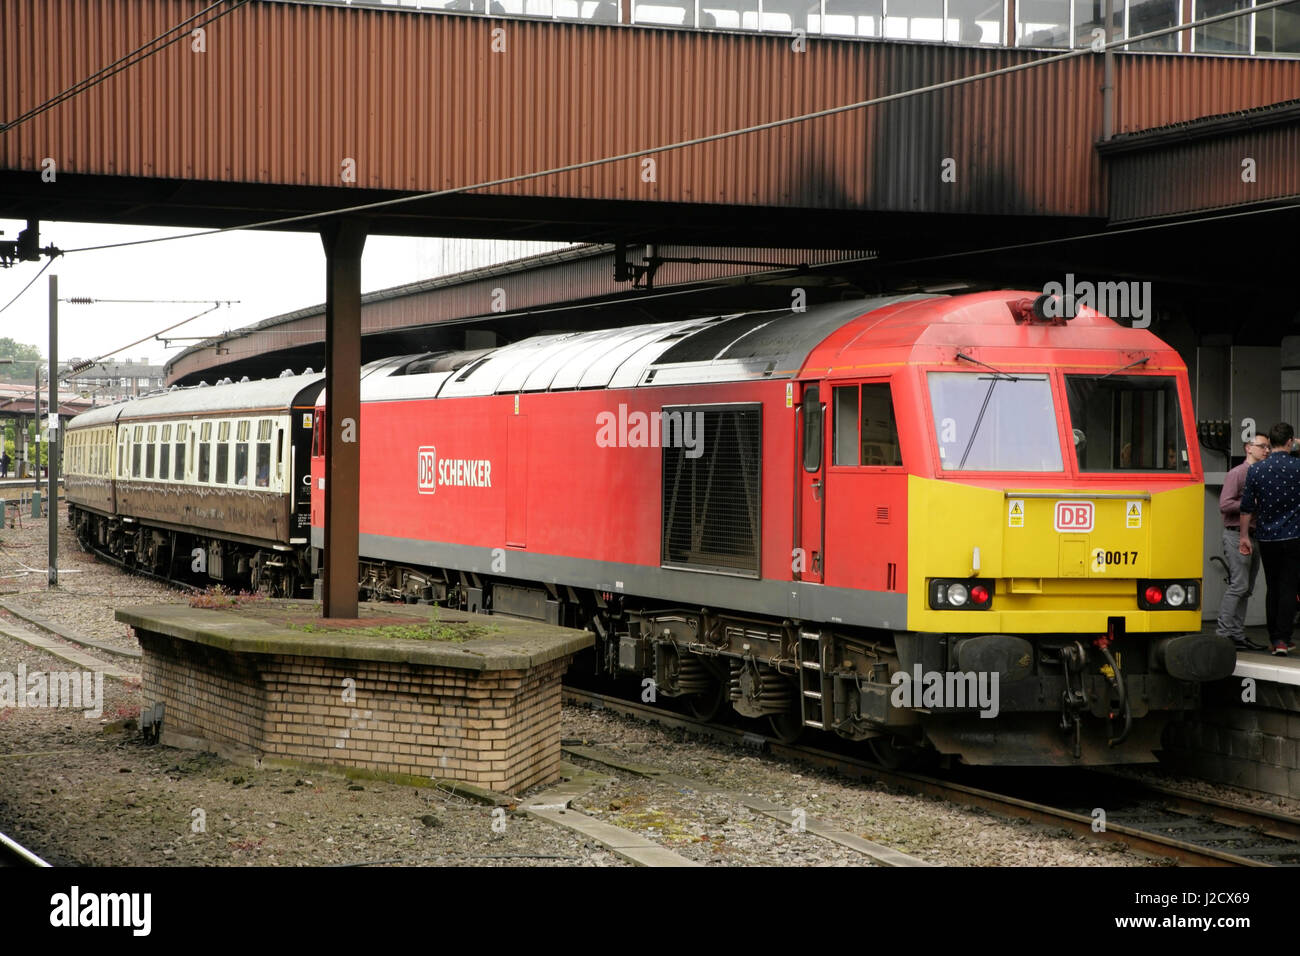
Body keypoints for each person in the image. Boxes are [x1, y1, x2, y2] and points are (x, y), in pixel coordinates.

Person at [1239, 422, 1300, 656]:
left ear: (1270, 443)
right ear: (1289, 442)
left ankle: (1275, 639)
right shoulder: (1298, 467)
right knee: (1289, 586)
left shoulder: (1256, 470)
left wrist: (1244, 536)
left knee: (1273, 586)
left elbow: (1246, 508)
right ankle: (1284, 639)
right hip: (1294, 536)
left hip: (1266, 537)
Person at [1216, 434, 1270, 650]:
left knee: (1246, 588)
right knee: (1239, 584)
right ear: (1249, 448)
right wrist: (1251, 503)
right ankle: (1223, 634)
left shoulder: (1260, 473)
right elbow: (1225, 504)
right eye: (1262, 447)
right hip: (1236, 533)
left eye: (1268, 447)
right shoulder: (1237, 473)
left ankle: (1236, 634)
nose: (1266, 451)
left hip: (1254, 534)